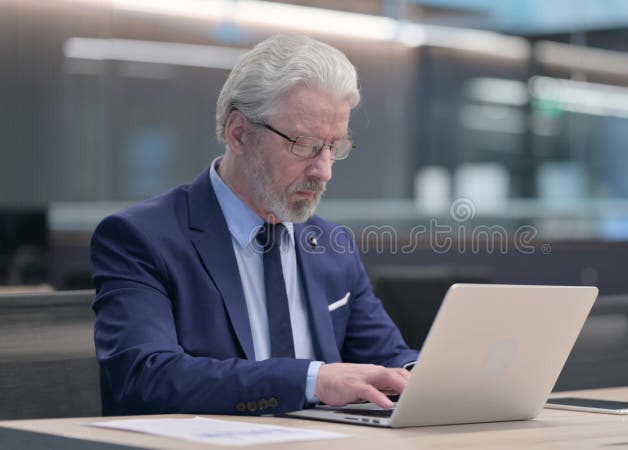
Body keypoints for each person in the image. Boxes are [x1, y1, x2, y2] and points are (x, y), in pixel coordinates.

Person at [91, 34, 418, 416]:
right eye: (304, 145)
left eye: (334, 147)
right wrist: (312, 380)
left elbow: (387, 358)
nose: (324, 170)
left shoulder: (333, 245)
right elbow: (145, 379)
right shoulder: (141, 238)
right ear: (239, 133)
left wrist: (426, 377)